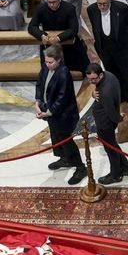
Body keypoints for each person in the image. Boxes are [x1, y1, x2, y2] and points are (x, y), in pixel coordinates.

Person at [34, 45, 85, 182]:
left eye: (50, 62)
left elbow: (62, 97)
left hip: (64, 115)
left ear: (58, 60)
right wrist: (38, 101)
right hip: (51, 113)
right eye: (46, 61)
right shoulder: (45, 67)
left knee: (65, 139)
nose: (47, 64)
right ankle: (65, 159)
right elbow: (39, 84)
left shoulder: (63, 73)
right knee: (56, 137)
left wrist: (48, 112)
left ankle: (80, 167)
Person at [83, 63, 128, 184]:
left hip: (105, 123)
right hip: (106, 119)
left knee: (111, 150)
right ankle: (126, 166)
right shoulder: (109, 75)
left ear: (100, 75)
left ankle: (115, 175)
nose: (92, 82)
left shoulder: (105, 91)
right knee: (113, 144)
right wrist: (94, 94)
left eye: (94, 79)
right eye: (89, 79)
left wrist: (119, 119)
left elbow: (111, 112)